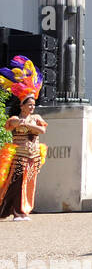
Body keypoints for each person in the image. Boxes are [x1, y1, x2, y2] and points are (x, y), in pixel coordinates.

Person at [0, 68, 48, 221]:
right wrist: (23, 122)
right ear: (22, 105)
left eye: (33, 105)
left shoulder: (37, 118)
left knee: (30, 183)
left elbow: (42, 130)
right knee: (16, 183)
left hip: (33, 156)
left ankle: (25, 210)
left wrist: (28, 124)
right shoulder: (15, 118)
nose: (32, 107)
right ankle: (17, 212)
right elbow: (9, 125)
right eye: (29, 105)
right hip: (19, 156)